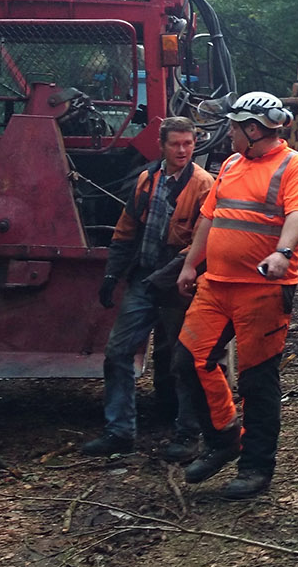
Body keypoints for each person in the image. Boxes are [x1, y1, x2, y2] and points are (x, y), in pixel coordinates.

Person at [176, 91, 298, 499]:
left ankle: (256, 468)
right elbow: (210, 218)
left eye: (235, 128)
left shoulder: (295, 165)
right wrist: (190, 264)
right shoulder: (231, 164)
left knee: (257, 380)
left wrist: (282, 252)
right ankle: (224, 437)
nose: (230, 135)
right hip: (216, 285)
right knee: (189, 360)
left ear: (253, 129)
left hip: (263, 291)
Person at [79, 116, 214, 457]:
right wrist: (112, 274)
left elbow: (202, 242)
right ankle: (119, 432)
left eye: (188, 144)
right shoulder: (146, 180)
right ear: (162, 146)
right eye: (175, 144)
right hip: (144, 278)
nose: (182, 150)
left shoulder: (204, 184)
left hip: (179, 282)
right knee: (118, 352)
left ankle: (188, 434)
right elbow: (126, 230)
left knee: (184, 359)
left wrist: (168, 276)